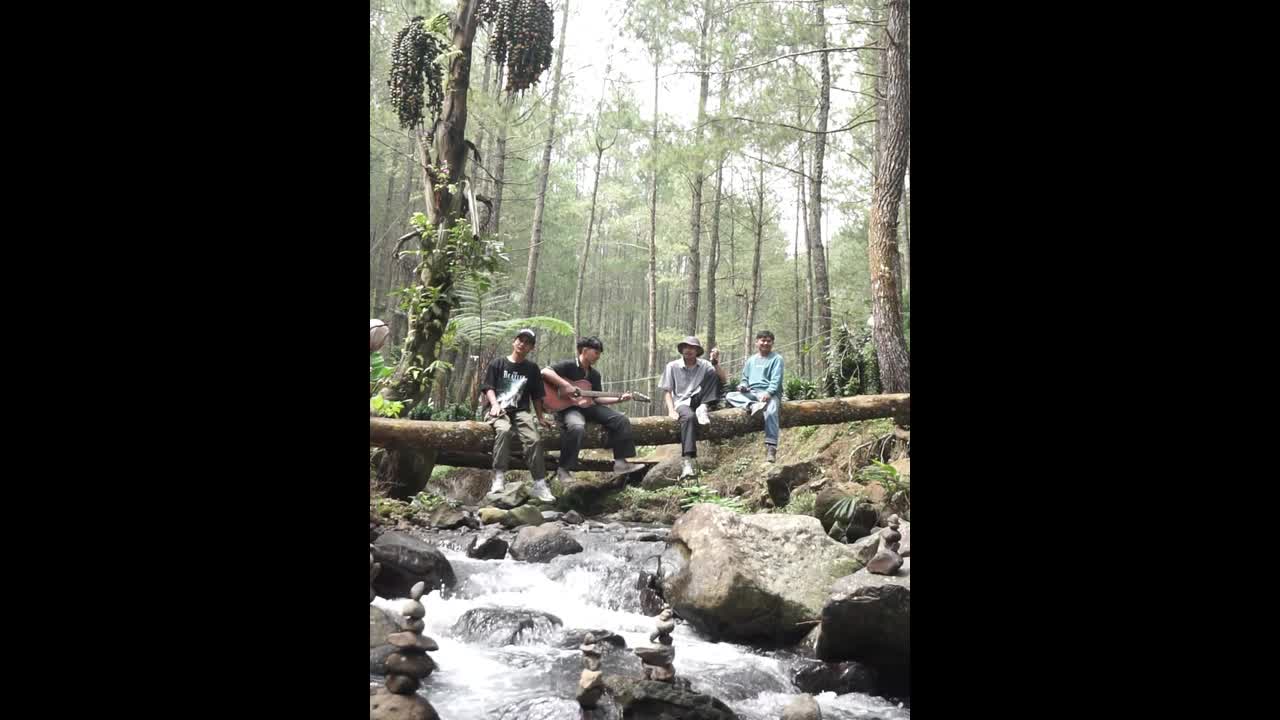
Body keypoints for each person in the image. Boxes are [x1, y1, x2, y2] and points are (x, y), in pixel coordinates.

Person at [541, 336, 646, 484]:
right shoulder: (568, 365)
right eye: (596, 352)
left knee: (621, 420)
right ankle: (564, 469)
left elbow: (597, 398)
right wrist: (566, 386)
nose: (598, 356)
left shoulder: (594, 375)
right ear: (584, 350)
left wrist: (619, 399)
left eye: (599, 353)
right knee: (576, 427)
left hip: (588, 407)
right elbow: (545, 371)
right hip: (568, 407)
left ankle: (621, 463)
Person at [478, 328, 555, 501]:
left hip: (521, 411)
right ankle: (498, 477)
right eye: (520, 340)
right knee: (504, 431)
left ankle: (540, 484)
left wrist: (541, 417)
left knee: (534, 439)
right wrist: (495, 405)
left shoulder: (532, 369)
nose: (522, 344)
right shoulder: (498, 364)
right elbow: (488, 387)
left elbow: (537, 395)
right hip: (497, 409)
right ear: (514, 342)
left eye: (527, 342)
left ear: (531, 348)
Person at [658, 336, 727, 478]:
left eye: (692, 348)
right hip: (682, 403)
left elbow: (723, 379)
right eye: (686, 347)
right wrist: (671, 410)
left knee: (713, 374)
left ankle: (703, 407)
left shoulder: (705, 364)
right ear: (682, 349)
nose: (688, 350)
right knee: (689, 417)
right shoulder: (672, 366)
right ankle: (687, 462)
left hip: (700, 398)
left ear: (697, 351)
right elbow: (667, 391)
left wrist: (715, 363)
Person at [723, 329, 784, 463]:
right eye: (763, 340)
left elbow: (776, 380)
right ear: (757, 342)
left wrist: (769, 393)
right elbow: (745, 378)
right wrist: (742, 386)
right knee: (730, 395)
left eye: (768, 341)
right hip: (752, 393)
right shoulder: (751, 360)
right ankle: (752, 406)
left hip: (769, 394)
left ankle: (771, 447)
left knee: (772, 409)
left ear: (772, 343)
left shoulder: (777, 359)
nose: (765, 343)